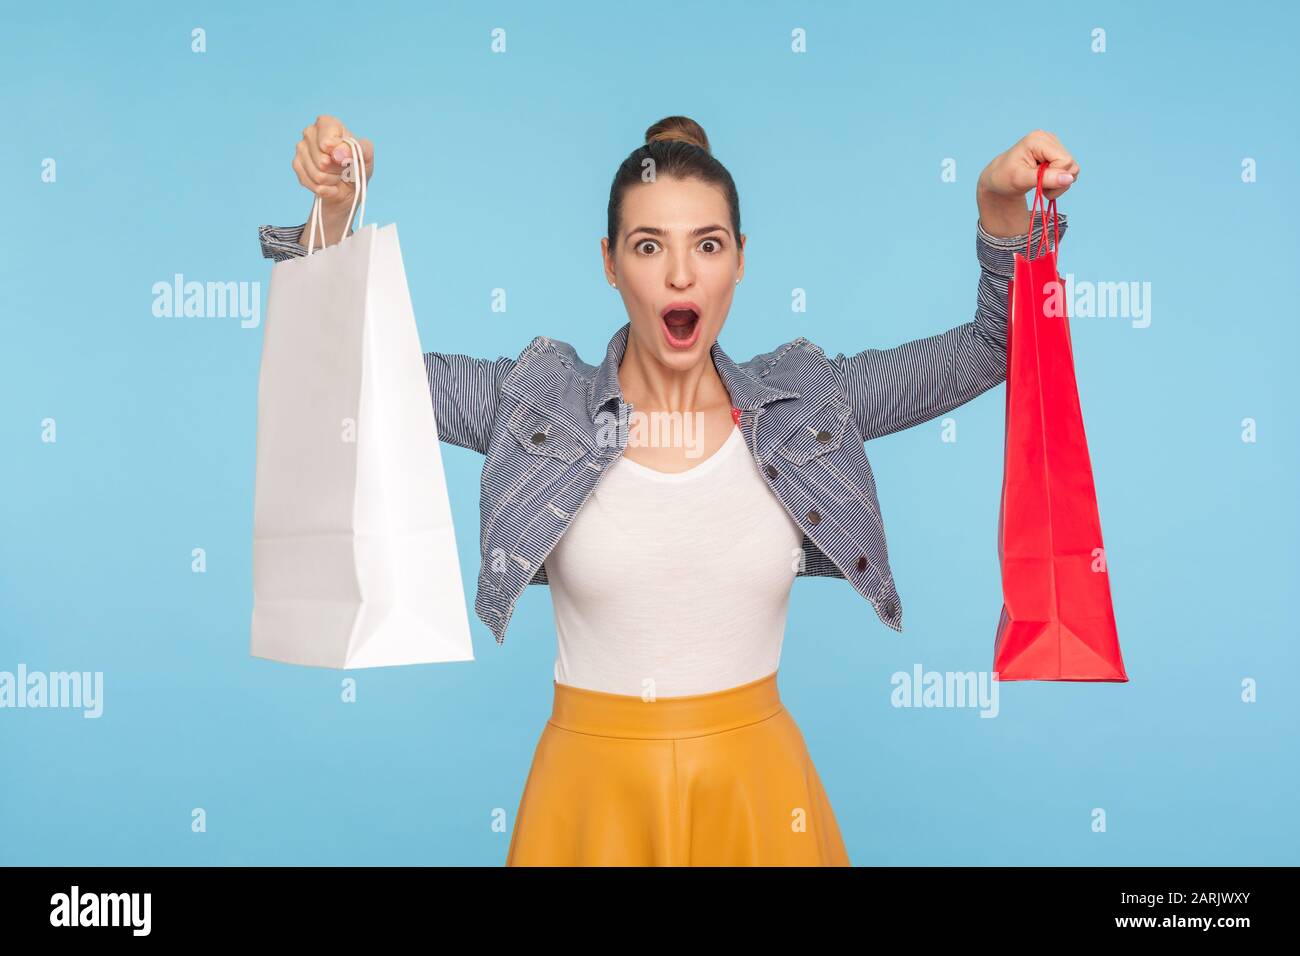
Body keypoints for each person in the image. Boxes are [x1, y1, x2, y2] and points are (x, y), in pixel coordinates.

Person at [258, 114, 1078, 866]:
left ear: (741, 260)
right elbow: (351, 372)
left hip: (759, 796)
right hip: (589, 800)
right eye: (649, 246)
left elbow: (992, 348)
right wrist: (330, 222)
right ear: (609, 263)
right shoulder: (529, 406)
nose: (681, 274)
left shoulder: (810, 405)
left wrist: (1001, 217)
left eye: (708, 245)